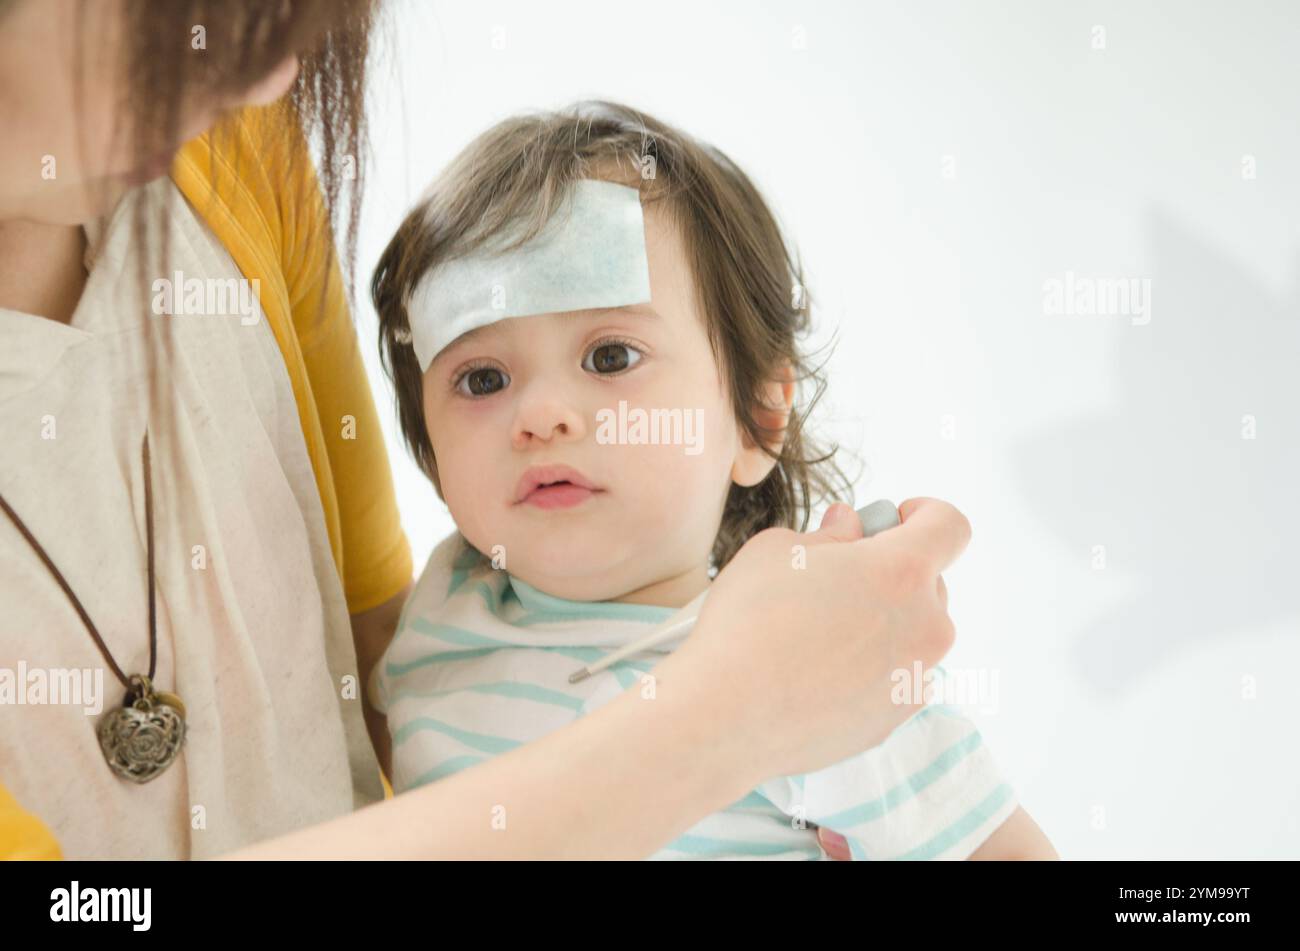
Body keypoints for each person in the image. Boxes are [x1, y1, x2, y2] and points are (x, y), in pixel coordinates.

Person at [0, 0, 1005, 860]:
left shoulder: (831, 668)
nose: (272, 71)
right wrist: (723, 718)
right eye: (481, 377)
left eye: (611, 357)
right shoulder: (448, 641)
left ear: (758, 414)